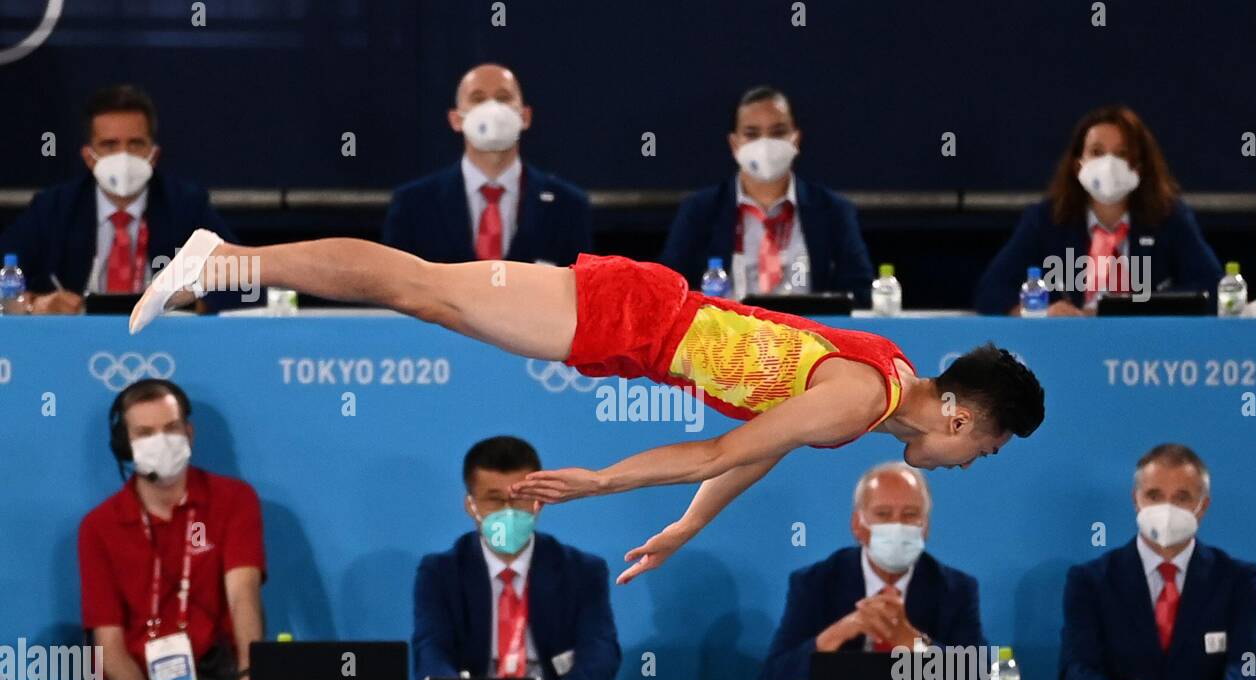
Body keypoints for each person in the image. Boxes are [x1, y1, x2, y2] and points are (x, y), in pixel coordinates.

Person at [130, 232, 1045, 584]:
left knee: (431, 295)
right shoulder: (859, 399)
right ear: (963, 418)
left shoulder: (884, 382)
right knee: (425, 291)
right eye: (990, 451)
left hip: (639, 328)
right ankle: (222, 262)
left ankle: (225, 263)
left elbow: (750, 453)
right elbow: (711, 450)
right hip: (634, 318)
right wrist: (602, 481)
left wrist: (685, 528)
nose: (974, 465)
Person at [78, 379, 267, 680]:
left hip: (214, 673)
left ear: (189, 434)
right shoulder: (99, 526)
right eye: (145, 433)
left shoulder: (233, 500)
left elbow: (243, 596)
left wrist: (250, 673)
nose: (161, 441)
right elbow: (108, 642)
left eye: (171, 428)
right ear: (126, 446)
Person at [413, 437, 621, 680]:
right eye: (494, 500)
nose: (507, 513)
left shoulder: (581, 570)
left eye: (519, 499)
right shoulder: (441, 572)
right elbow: (431, 649)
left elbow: (600, 651)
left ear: (540, 502)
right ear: (470, 505)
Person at [759, 462, 986, 680]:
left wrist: (912, 642)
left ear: (925, 527)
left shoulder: (954, 589)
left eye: (910, 514)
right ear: (858, 525)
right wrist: (835, 635)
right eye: (883, 514)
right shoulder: (816, 583)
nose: (897, 526)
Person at [1059, 444, 1256, 680]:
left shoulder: (1239, 580)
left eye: (1182, 498)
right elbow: (1075, 669)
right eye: (1154, 495)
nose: (1167, 509)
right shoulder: (1091, 581)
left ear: (1202, 506)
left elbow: (1251, 663)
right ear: (1136, 500)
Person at [0, 84, 235, 314]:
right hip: (74, 339)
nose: (123, 156)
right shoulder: (53, 208)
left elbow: (242, 281)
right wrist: (34, 304)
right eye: (109, 145)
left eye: (135, 144)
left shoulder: (187, 206)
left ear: (154, 154)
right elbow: (6, 273)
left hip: (166, 341)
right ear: (89, 157)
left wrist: (195, 307)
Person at [973, 105, 1221, 316]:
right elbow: (991, 291)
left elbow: (1213, 288)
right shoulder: (1047, 219)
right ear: (1077, 164)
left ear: (1140, 167)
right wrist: (1038, 312)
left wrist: (1135, 307)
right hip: (1071, 346)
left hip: (1145, 350)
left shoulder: (1169, 218)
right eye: (1097, 152)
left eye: (1122, 154)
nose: (1109, 165)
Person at [660, 85, 872, 300]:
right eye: (752, 134)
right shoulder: (700, 210)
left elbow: (860, 292)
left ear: (796, 140)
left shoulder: (833, 210)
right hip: (728, 332)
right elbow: (670, 289)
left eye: (778, 132)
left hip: (808, 331)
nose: (765, 144)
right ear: (734, 144)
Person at [383, 63, 591, 266]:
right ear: (456, 120)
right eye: (478, 99)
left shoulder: (568, 206)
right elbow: (394, 291)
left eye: (503, 98)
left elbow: (582, 293)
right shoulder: (413, 205)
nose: (492, 109)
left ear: (525, 117)